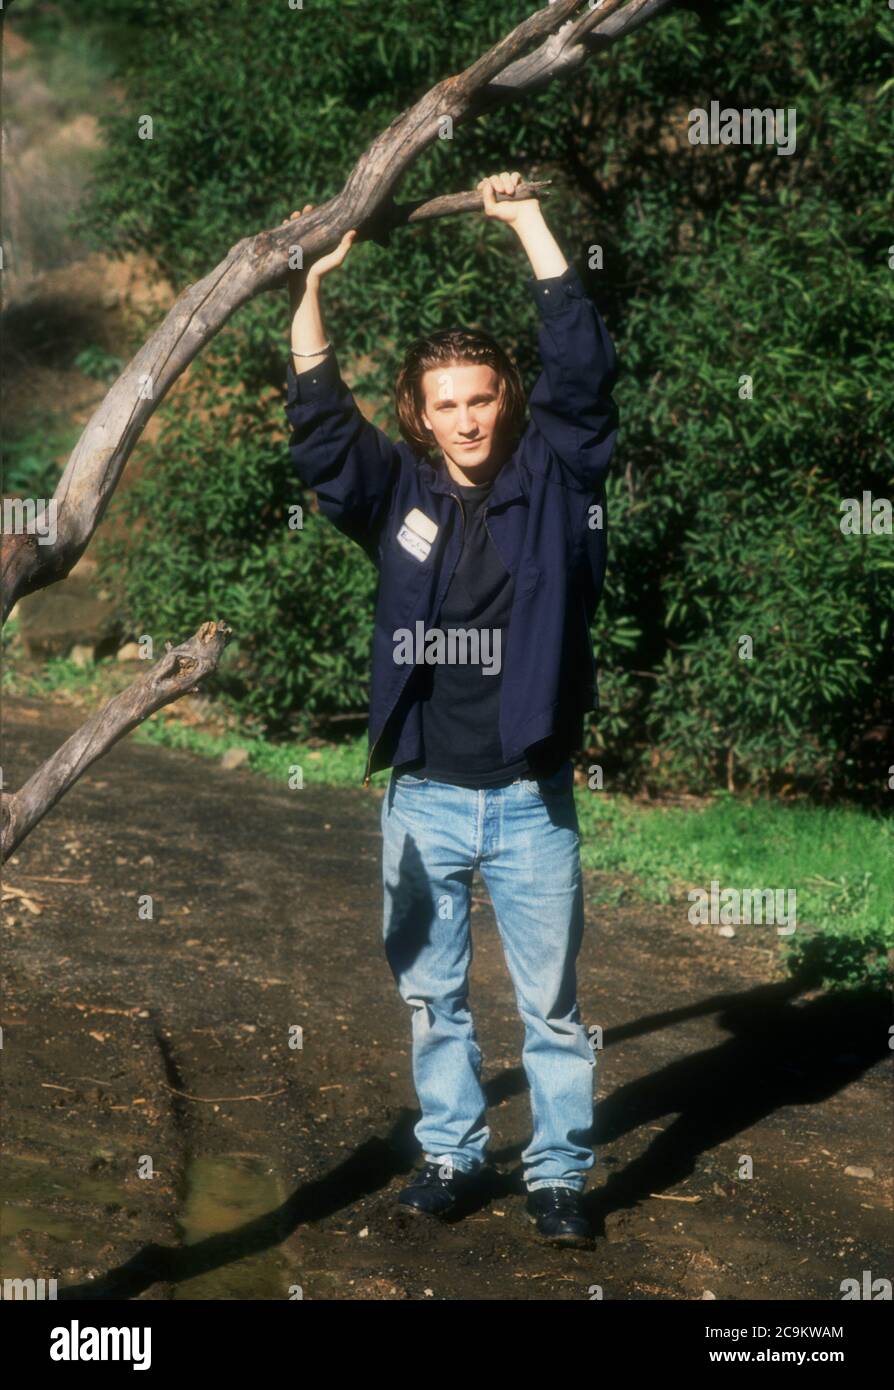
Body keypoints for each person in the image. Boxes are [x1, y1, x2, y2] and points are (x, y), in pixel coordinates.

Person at [282, 172, 619, 1246]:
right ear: (421, 419)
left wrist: (524, 221)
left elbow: (581, 369)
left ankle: (559, 1174)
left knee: (554, 1012)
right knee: (433, 999)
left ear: (502, 401)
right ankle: (451, 1152)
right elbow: (323, 431)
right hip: (425, 795)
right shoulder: (400, 493)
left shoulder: (558, 474)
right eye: (447, 405)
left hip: (529, 798)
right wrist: (310, 282)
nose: (468, 419)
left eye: (482, 398)